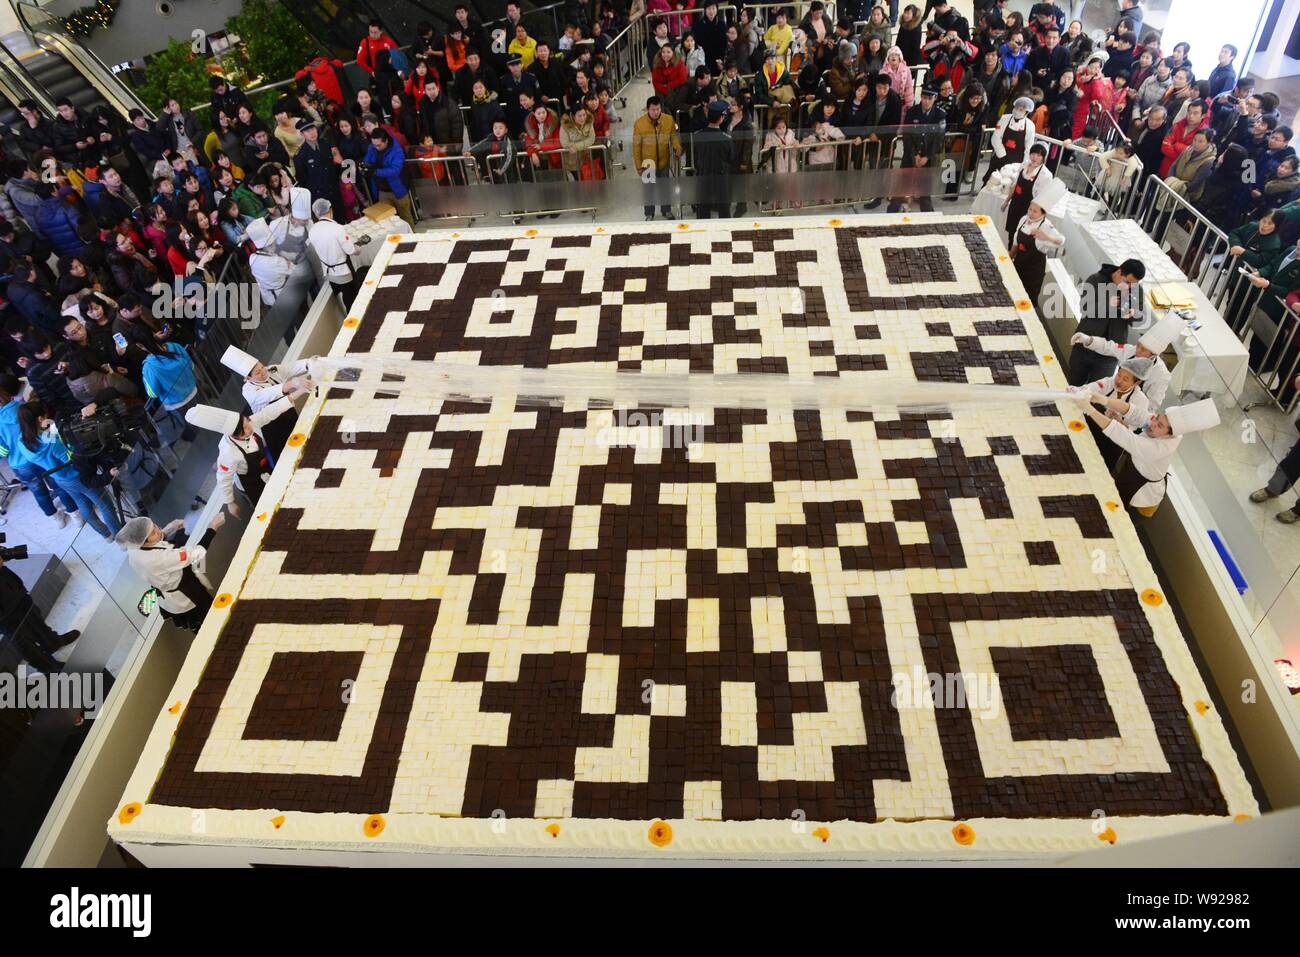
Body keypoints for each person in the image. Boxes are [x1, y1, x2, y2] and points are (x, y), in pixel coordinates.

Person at [1073, 396, 1219, 515]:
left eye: (1160, 425)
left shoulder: (1159, 449)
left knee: (1116, 518)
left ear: (1169, 435)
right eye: (1157, 418)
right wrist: (1103, 400)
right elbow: (1136, 413)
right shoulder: (1157, 425)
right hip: (1130, 471)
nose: (1153, 423)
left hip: (1141, 493)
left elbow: (1126, 438)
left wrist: (1089, 409)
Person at [13, 400, 122, 540]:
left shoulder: (22, 441)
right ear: (40, 419)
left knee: (83, 504)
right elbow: (70, 459)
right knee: (105, 505)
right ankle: (120, 537)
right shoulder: (50, 441)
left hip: (59, 479)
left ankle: (106, 535)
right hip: (76, 475)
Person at [185, 396, 308, 520]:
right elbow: (223, 478)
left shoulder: (248, 423)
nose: (250, 427)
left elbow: (267, 413)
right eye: (245, 429)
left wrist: (293, 395)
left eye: (247, 422)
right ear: (235, 435)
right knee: (271, 513)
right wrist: (230, 503)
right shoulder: (229, 454)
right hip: (252, 484)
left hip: (265, 469)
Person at [116, 514, 224, 632]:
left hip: (168, 594)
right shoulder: (157, 559)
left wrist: (171, 527)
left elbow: (153, 542)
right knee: (210, 621)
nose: (158, 530)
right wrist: (212, 527)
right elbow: (195, 553)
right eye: (153, 532)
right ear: (143, 542)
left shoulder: (133, 549)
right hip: (187, 596)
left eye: (155, 526)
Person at [1070, 312, 1181, 409]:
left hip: (1131, 414)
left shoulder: (1161, 376)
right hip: (1108, 401)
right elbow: (1110, 347)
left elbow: (1151, 407)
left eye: (1143, 350)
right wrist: (1089, 340)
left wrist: (1126, 413)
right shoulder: (1131, 350)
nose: (1137, 350)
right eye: (1138, 345)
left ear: (1153, 355)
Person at [1068, 259, 1147, 386]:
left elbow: (1141, 316)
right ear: (1119, 272)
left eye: (1134, 284)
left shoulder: (1136, 290)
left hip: (1110, 355)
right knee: (1073, 384)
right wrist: (1107, 304)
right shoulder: (1095, 280)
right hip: (1085, 346)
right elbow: (1085, 308)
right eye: (1127, 282)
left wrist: (1134, 313)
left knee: (1099, 392)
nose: (1130, 286)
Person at [1073, 355, 1155, 471]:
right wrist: (1078, 390)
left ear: (1136, 383)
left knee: (1096, 469)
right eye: (1119, 374)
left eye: (1125, 379)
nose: (1119, 380)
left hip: (1111, 443)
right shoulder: (1110, 382)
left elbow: (1130, 432)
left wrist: (1119, 421)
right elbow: (1092, 388)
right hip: (1091, 429)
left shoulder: (1140, 401)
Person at [0, 555, 79, 671]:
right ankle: (48, 667)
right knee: (20, 637)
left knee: (32, 614)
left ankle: (52, 642)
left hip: (9, 586)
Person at [1009, 178, 1066, 304]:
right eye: (1030, 209)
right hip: (1019, 265)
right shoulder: (1024, 219)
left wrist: (1046, 237)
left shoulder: (1046, 226)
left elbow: (1061, 240)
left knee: (1026, 301)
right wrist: (1009, 259)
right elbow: (1015, 242)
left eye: (1035, 211)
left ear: (1043, 214)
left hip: (1033, 273)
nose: (1030, 213)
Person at [307, 198, 368, 310]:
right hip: (343, 272)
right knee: (351, 300)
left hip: (328, 272)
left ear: (316, 214)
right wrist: (359, 246)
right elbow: (351, 250)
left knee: (340, 297)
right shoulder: (337, 229)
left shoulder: (312, 231)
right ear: (330, 210)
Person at [633, 96, 682, 220]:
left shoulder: (669, 120)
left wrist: (677, 147)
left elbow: (674, 137)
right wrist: (639, 166)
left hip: (664, 161)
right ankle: (649, 213)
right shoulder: (639, 124)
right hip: (647, 163)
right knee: (648, 190)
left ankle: (666, 211)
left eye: (658, 109)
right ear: (647, 109)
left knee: (665, 188)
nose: (656, 112)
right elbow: (636, 147)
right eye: (653, 109)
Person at [690, 99, 736, 218]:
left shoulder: (697, 136)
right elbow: (731, 158)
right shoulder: (726, 139)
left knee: (702, 210)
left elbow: (695, 156)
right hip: (721, 178)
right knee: (724, 209)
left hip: (703, 176)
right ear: (721, 118)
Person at [1001, 143, 1054, 242]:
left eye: (1039, 155)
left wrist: (1035, 219)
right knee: (1012, 233)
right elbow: (1015, 184)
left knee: (1022, 237)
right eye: (1033, 154)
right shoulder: (1024, 164)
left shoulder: (1046, 175)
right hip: (1015, 205)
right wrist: (1006, 201)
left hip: (1028, 210)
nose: (1034, 157)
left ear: (1043, 158)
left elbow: (1043, 201)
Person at [364, 126, 414, 226]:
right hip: (382, 191)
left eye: (379, 145)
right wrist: (365, 166)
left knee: (406, 218)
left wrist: (375, 171)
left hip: (398, 190)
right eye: (374, 145)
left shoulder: (397, 150)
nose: (376, 147)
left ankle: (412, 238)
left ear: (386, 141)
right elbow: (367, 159)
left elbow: (395, 170)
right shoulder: (372, 147)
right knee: (387, 220)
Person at [986, 96, 1035, 184]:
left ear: (1026, 113)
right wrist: (1002, 155)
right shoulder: (1004, 118)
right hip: (1000, 157)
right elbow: (995, 138)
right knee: (991, 181)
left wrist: (1024, 165)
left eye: (1020, 110)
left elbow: (1029, 147)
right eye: (1016, 108)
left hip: (1016, 162)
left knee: (1008, 185)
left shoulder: (1030, 126)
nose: (1016, 111)